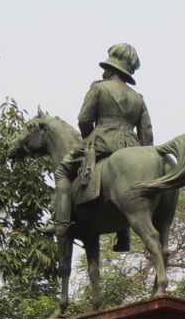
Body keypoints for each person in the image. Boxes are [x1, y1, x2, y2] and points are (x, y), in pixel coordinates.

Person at [52, 43, 154, 251]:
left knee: (63, 170)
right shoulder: (138, 99)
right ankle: (123, 237)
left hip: (102, 141)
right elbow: (147, 136)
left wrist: (89, 140)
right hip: (132, 149)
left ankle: (60, 223)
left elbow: (84, 119)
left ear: (111, 67)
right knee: (128, 185)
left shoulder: (99, 88)